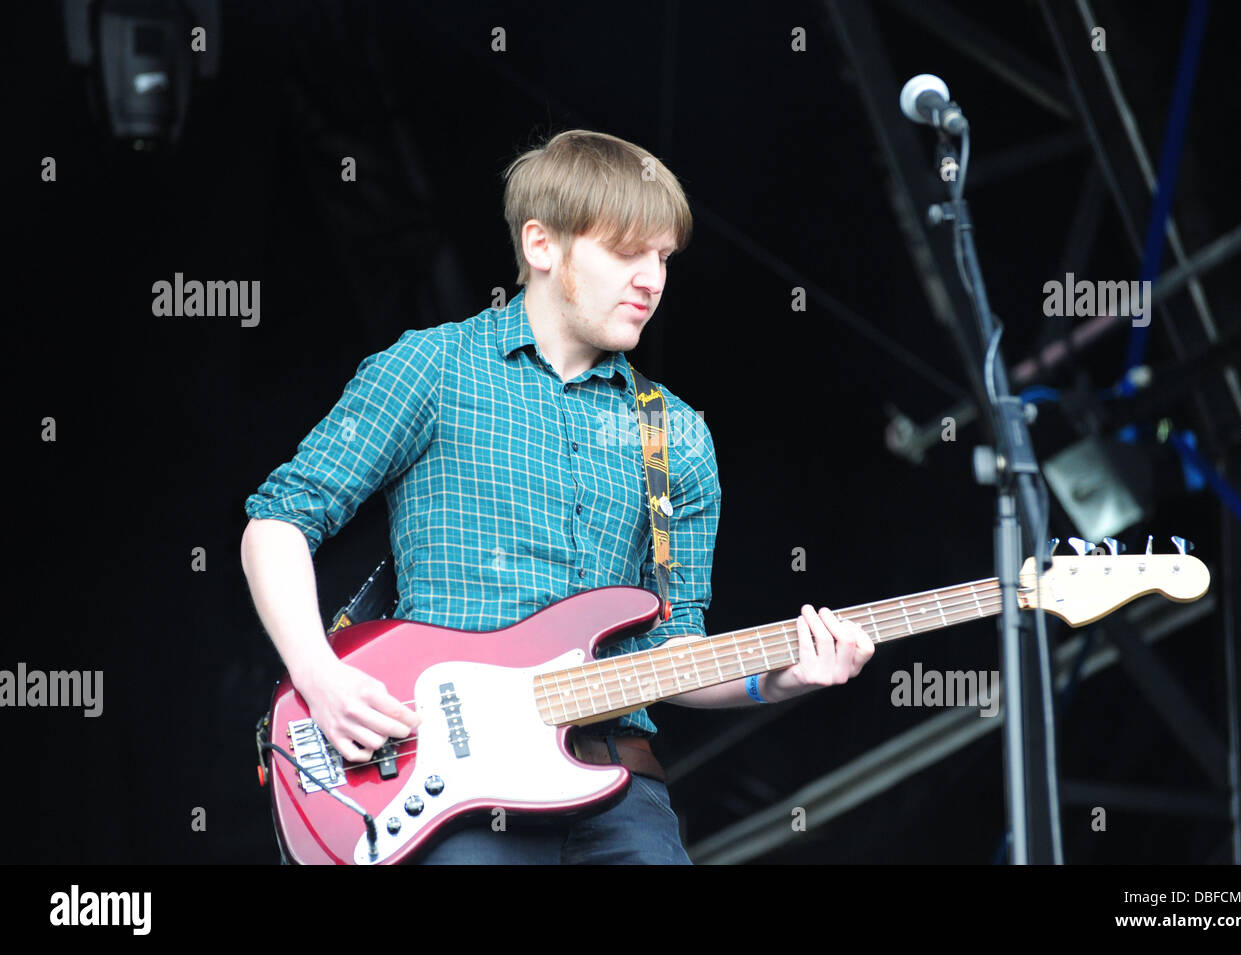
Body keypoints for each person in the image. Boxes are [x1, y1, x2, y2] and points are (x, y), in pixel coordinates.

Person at [240, 129, 875, 864]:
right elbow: (278, 520)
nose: (652, 278)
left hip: (616, 781)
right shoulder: (431, 368)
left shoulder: (678, 435)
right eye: (627, 251)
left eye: (663, 256)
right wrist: (318, 673)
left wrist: (780, 677)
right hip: (448, 778)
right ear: (542, 246)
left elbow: (677, 648)